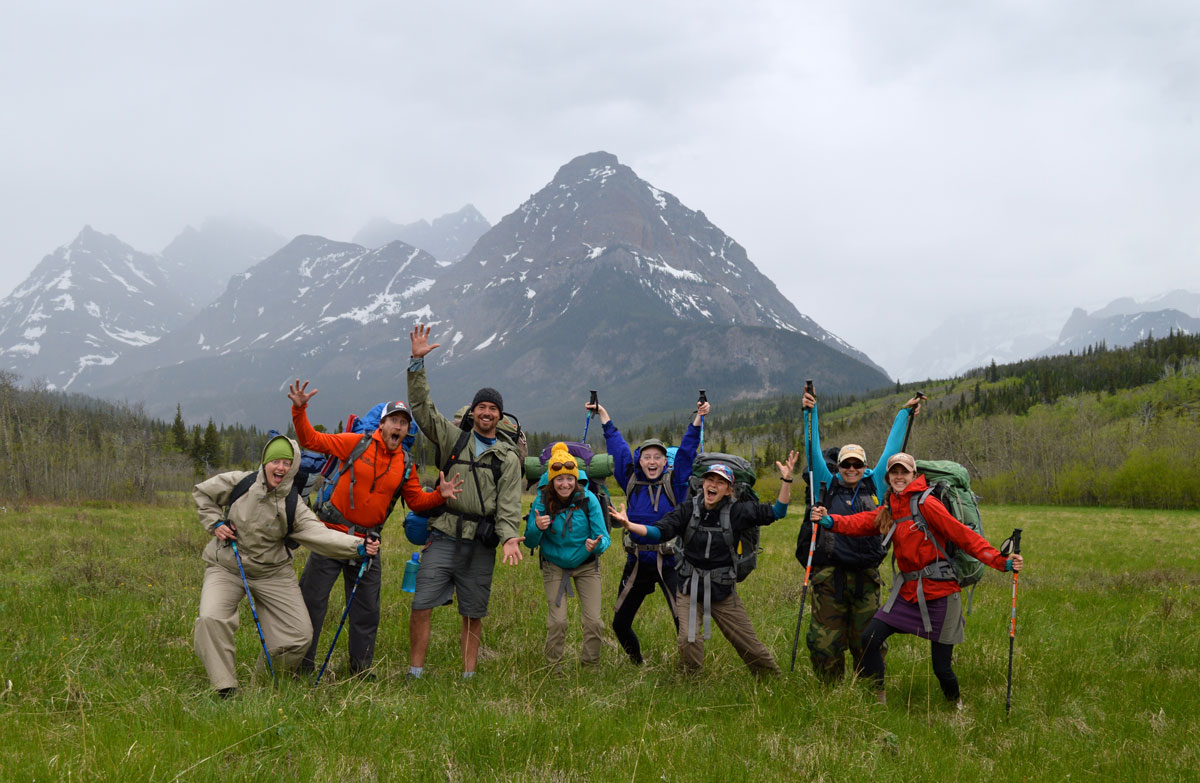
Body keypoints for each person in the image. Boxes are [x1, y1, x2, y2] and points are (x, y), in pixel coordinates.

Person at [811, 452, 1025, 705]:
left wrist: (1001, 561)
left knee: (941, 668)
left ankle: (956, 707)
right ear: (888, 477)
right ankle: (879, 700)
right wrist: (830, 520)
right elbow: (863, 522)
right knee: (869, 637)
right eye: (894, 472)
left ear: (914, 475)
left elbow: (962, 535)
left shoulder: (926, 503)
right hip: (908, 594)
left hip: (942, 593)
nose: (899, 477)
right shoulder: (892, 505)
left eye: (904, 472)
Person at [287, 381, 462, 678]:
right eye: (394, 420)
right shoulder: (356, 443)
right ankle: (301, 667)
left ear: (407, 432)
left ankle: (359, 670)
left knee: (366, 611)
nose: (399, 426)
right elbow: (312, 440)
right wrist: (299, 408)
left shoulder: (405, 465)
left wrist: (439, 495)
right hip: (331, 535)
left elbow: (417, 502)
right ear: (382, 425)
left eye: (404, 424)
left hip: (367, 544)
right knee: (312, 601)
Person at [192, 435, 380, 696]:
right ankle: (225, 687)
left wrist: (359, 546)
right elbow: (203, 492)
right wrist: (215, 523)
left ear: (293, 468)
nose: (280, 467)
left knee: (300, 636)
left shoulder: (295, 506)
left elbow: (322, 535)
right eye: (276, 461)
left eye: (287, 463)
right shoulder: (240, 482)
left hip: (273, 572)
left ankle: (264, 683)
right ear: (265, 462)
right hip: (227, 565)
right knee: (211, 618)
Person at [406, 324, 525, 678]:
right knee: (421, 603)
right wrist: (416, 364)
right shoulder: (452, 437)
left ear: (500, 416)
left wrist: (509, 538)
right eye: (481, 407)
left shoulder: (508, 457)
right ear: (472, 413)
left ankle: (468, 676)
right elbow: (423, 409)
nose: (486, 413)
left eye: (493, 409)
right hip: (443, 535)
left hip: (480, 543)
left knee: (473, 612)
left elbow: (508, 506)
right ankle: (416, 674)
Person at [610, 452, 798, 677]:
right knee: (688, 639)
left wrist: (786, 481)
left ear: (729, 490)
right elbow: (659, 531)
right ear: (703, 484)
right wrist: (630, 525)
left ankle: (772, 678)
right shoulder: (687, 510)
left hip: (722, 590)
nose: (713, 485)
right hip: (689, 587)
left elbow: (778, 512)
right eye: (710, 480)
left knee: (748, 643)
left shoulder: (737, 512)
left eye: (720, 482)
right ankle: (692, 682)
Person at [797, 391, 924, 682]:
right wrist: (810, 412)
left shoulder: (876, 482)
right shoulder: (825, 484)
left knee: (867, 639)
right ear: (838, 467)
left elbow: (893, 447)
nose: (852, 469)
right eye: (846, 465)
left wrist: (904, 414)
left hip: (867, 577)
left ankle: (869, 689)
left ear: (865, 466)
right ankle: (830, 693)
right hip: (830, 577)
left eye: (857, 464)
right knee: (824, 643)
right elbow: (812, 448)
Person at [588, 399, 707, 665]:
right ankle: (637, 662)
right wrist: (604, 416)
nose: (651, 462)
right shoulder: (630, 480)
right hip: (637, 562)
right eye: (646, 457)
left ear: (665, 461)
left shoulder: (675, 482)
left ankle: (689, 670)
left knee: (683, 624)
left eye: (657, 457)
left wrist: (697, 420)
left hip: (671, 562)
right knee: (620, 623)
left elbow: (687, 452)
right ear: (639, 460)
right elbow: (618, 449)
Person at [525, 443, 611, 670]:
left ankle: (590, 667)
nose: (565, 484)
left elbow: (604, 537)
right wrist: (537, 527)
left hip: (586, 564)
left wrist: (597, 545)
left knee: (594, 622)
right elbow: (531, 542)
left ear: (576, 479)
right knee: (558, 622)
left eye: (569, 479)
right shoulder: (542, 501)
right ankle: (554, 670)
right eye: (559, 479)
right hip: (554, 565)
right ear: (551, 481)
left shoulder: (589, 499)